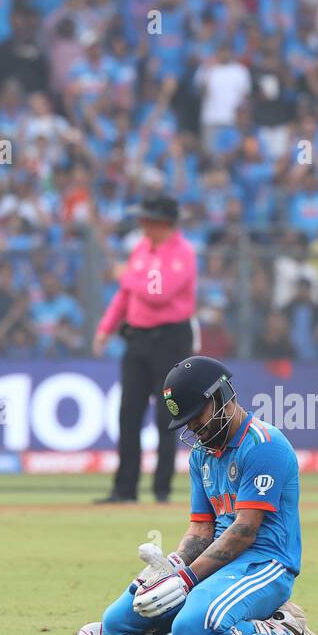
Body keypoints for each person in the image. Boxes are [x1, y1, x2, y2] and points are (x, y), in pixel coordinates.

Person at [77, 356, 318, 635]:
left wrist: (186, 581)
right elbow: (201, 530)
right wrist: (172, 567)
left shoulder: (264, 445)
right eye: (187, 421)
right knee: (116, 626)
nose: (193, 427)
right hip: (215, 566)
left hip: (265, 564)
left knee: (190, 629)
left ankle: (284, 629)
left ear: (220, 397)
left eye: (197, 416)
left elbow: (244, 531)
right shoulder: (201, 455)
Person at [92, 192, 196, 504]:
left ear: (162, 222)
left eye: (147, 218)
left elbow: (158, 293)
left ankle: (161, 490)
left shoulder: (183, 254)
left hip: (170, 340)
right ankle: (125, 489)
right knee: (129, 413)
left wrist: (127, 274)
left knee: (167, 414)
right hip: (138, 338)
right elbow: (126, 296)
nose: (142, 223)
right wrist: (106, 328)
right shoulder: (142, 249)